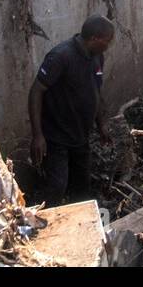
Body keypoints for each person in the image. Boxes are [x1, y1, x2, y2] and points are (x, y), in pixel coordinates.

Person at [28, 15, 115, 204]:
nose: (109, 46)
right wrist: (37, 135)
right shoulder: (61, 57)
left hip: (81, 136)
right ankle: (46, 223)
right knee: (57, 186)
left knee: (82, 188)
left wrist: (102, 125)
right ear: (95, 39)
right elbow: (36, 91)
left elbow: (96, 91)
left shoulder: (97, 57)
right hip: (56, 137)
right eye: (107, 41)